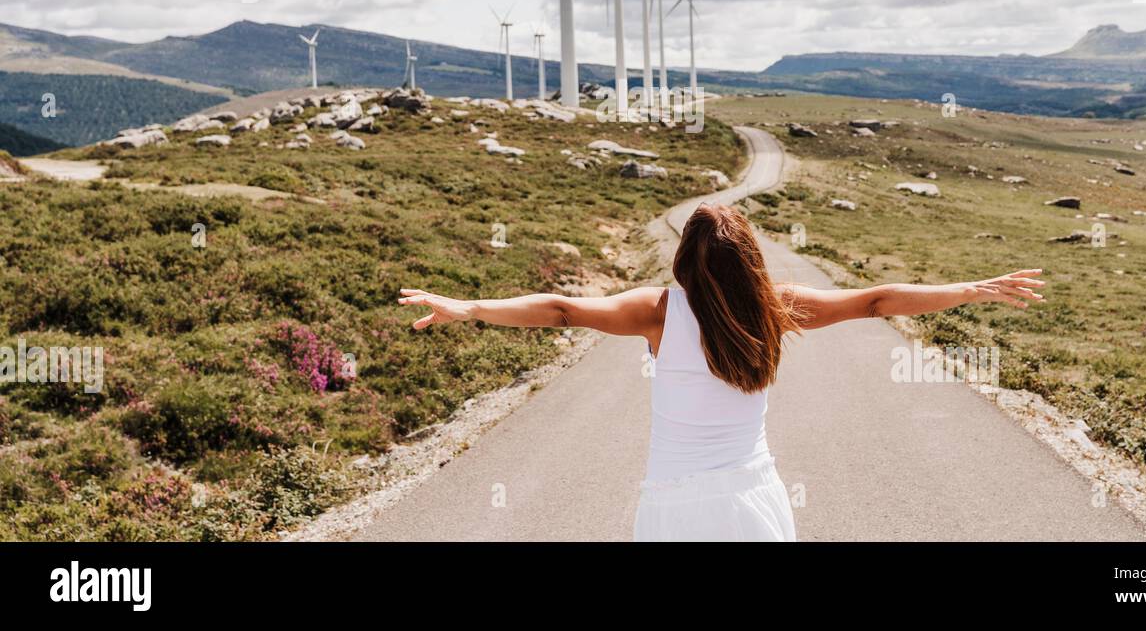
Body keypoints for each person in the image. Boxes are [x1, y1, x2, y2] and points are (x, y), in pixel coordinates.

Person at [399, 202, 1045, 541]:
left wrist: (471, 307)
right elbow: (876, 298)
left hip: (674, 508)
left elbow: (565, 310)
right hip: (751, 497)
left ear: (682, 263)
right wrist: (972, 288)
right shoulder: (775, 307)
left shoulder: (658, 311)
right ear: (751, 264)